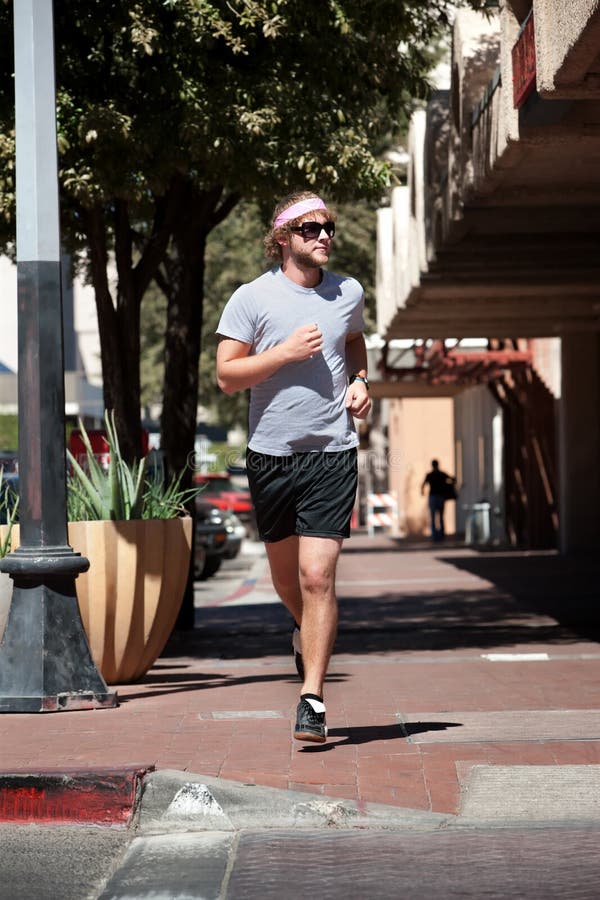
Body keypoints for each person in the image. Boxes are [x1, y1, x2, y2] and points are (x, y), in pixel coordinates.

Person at [216, 190, 371, 744]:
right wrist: (281, 354)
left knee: (315, 577)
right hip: (271, 456)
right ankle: (303, 633)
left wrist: (360, 382)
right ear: (283, 238)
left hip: (331, 450)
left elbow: (354, 341)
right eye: (310, 228)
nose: (324, 235)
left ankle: (312, 699)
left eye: (329, 226)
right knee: (288, 582)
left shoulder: (347, 291)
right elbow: (226, 376)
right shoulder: (251, 298)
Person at [421, 459, 456, 542]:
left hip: (433, 497)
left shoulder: (430, 475)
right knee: (440, 516)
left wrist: (422, 491)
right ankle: (441, 535)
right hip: (440, 497)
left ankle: (434, 535)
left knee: (433, 517)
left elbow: (423, 485)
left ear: (432, 465)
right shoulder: (442, 474)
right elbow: (453, 480)